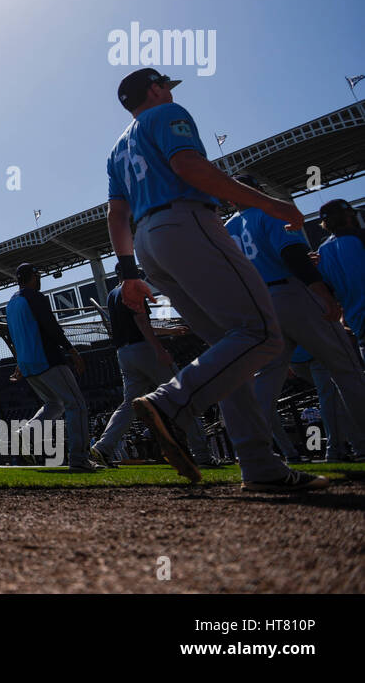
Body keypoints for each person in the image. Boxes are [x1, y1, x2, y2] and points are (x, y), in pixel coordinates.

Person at [106, 67, 326, 491]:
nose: (169, 91)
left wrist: (129, 272)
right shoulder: (166, 114)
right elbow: (189, 166)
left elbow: (117, 214)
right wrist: (270, 205)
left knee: (232, 353)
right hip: (186, 222)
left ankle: (260, 466)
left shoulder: (117, 147)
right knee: (263, 334)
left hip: (150, 243)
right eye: (165, 86)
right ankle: (171, 403)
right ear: (155, 89)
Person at [225, 178, 365, 465]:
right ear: (258, 191)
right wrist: (322, 293)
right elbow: (291, 254)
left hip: (258, 303)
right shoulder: (271, 211)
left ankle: (250, 451)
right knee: (346, 368)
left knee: (268, 379)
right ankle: (361, 443)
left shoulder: (228, 229)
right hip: (291, 292)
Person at [89, 284, 214, 468]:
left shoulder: (112, 295)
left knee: (129, 405)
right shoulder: (133, 289)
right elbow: (142, 324)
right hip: (145, 349)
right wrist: (159, 349)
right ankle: (202, 455)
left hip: (124, 353)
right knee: (182, 395)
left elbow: (139, 325)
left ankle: (103, 448)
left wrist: (170, 331)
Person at [5, 263, 96, 471]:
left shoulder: (11, 303)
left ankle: (26, 434)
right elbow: (51, 326)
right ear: (33, 276)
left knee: (55, 404)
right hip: (47, 360)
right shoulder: (35, 297)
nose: (40, 279)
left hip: (28, 366)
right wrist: (72, 351)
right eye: (38, 275)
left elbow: (12, 338)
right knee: (77, 405)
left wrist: (19, 363)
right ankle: (79, 459)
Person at [316, 198, 365, 363]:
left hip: (357, 322)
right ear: (349, 215)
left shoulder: (321, 252)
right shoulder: (360, 237)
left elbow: (327, 291)